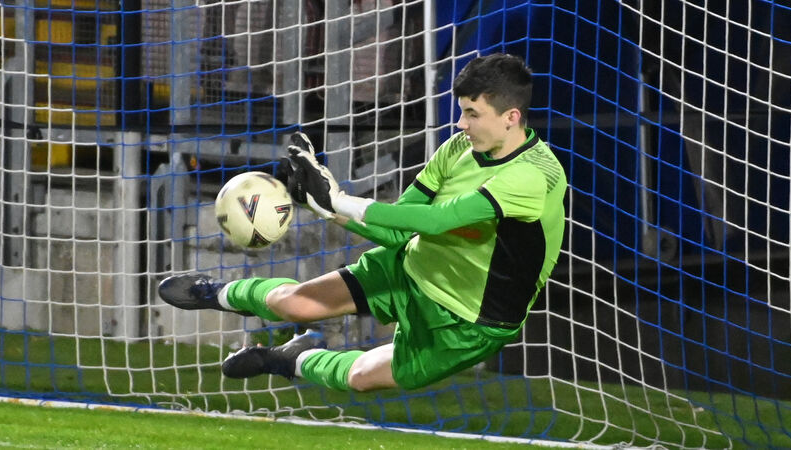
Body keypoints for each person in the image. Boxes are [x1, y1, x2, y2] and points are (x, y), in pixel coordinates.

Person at [158, 53, 567, 392]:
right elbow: (399, 229)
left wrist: (339, 199)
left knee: (359, 377)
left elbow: (441, 220)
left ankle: (293, 359)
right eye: (461, 112)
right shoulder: (458, 147)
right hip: (413, 267)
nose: (461, 125)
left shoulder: (533, 175)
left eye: (472, 114)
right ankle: (215, 292)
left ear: (511, 116)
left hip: (470, 319)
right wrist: (328, 208)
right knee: (297, 303)